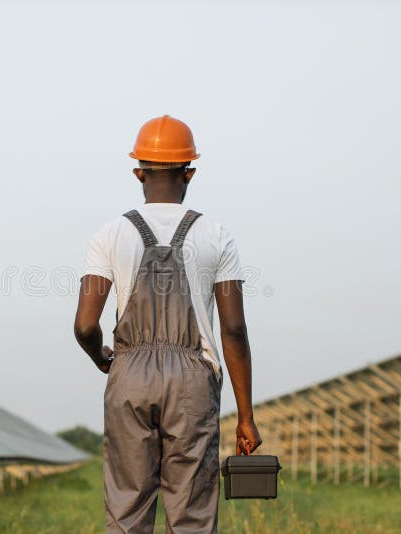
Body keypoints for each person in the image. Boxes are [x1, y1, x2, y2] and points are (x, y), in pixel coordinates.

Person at [74, 115, 262, 533]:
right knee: (191, 516)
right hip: (192, 383)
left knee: (127, 512)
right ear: (189, 172)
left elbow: (86, 325)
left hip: (129, 377)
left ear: (138, 170)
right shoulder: (217, 234)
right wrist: (246, 417)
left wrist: (102, 357)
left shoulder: (109, 234)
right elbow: (233, 330)